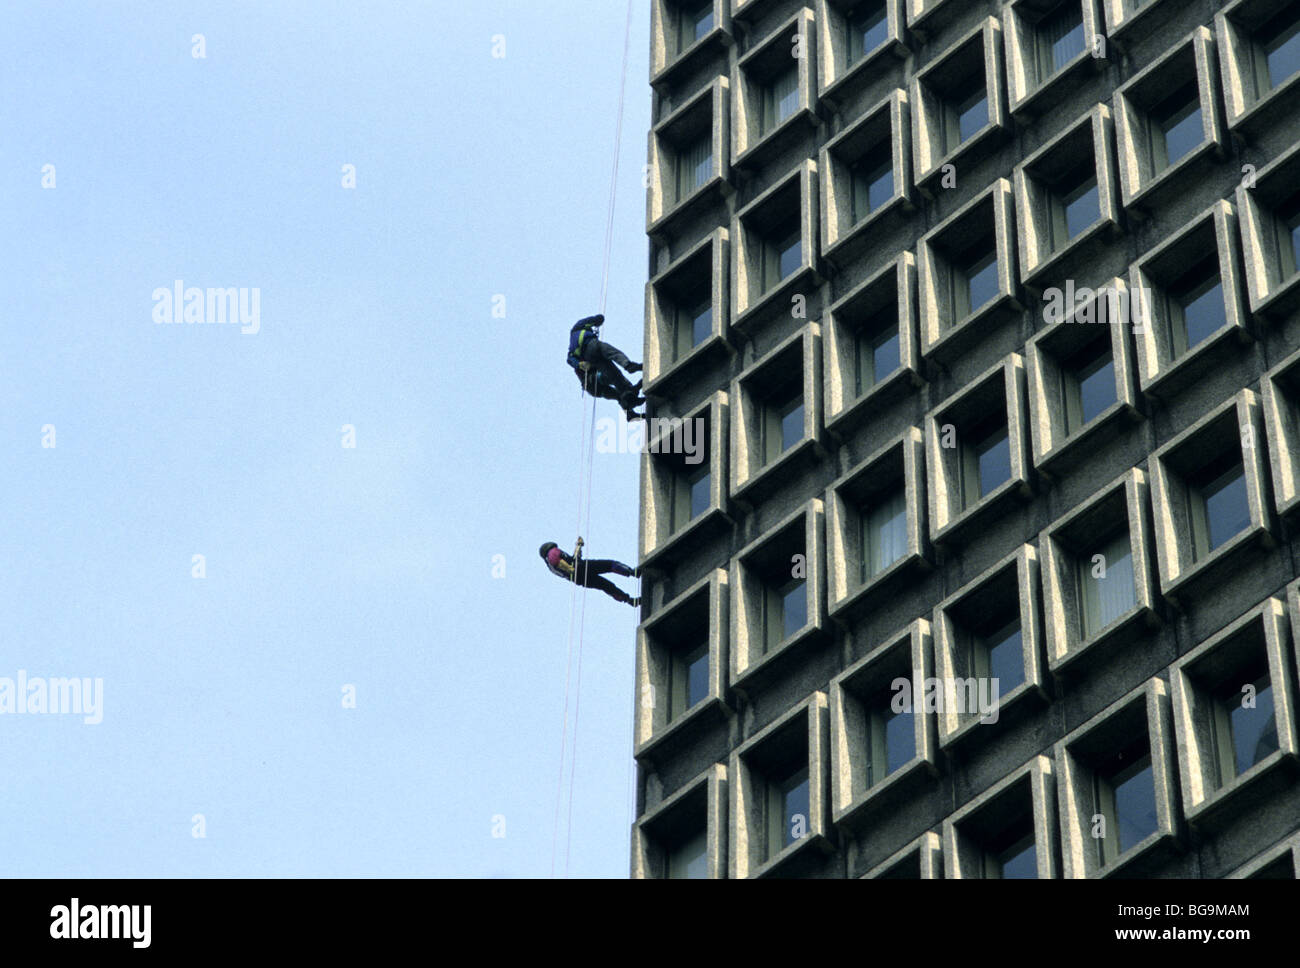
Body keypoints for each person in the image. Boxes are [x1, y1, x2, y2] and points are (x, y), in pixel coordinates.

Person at [568, 314, 645, 420]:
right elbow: (598, 318)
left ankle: (629, 410)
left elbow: (569, 360)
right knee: (610, 355)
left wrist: (579, 364)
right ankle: (628, 366)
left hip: (594, 388)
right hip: (593, 375)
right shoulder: (577, 328)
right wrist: (598, 320)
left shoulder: (573, 352)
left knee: (619, 391)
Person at [539, 537, 640, 607]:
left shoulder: (550, 566)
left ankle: (629, 600)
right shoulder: (552, 553)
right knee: (610, 565)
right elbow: (560, 562)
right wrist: (570, 568)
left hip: (580, 579)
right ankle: (632, 572)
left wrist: (579, 546)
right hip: (582, 568)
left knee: (607, 586)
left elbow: (574, 559)